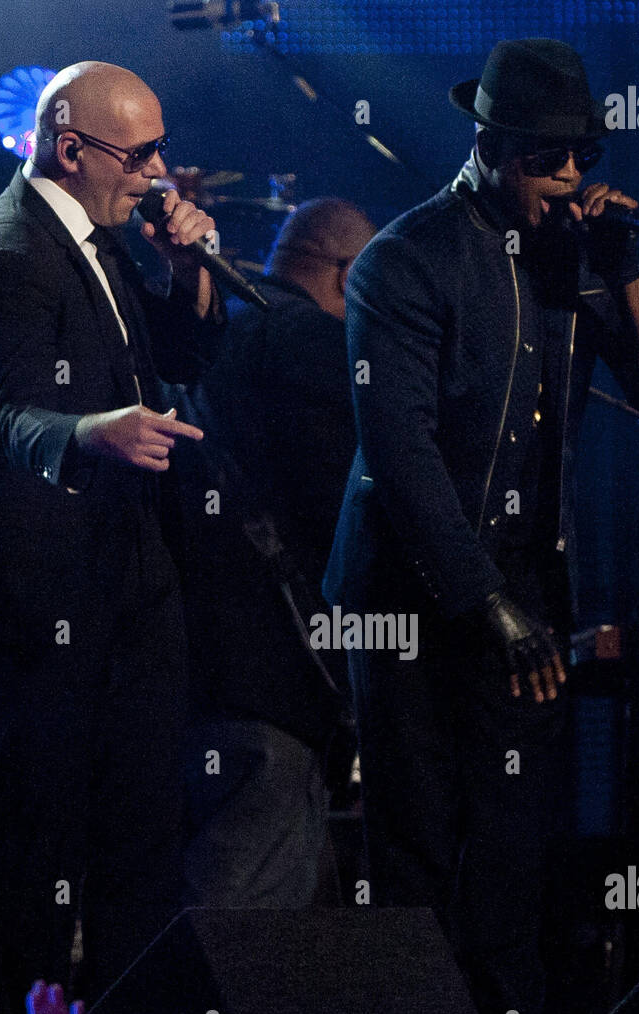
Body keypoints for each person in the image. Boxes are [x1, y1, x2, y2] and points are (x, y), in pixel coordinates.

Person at [323, 38, 639, 1014]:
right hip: (412, 598)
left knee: (513, 859)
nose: (566, 182)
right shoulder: (406, 259)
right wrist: (483, 602)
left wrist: (618, 268)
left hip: (526, 598)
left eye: (578, 159)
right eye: (544, 162)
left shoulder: (573, 261)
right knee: (416, 853)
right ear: (487, 147)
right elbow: (399, 452)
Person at [0, 61, 226, 1014]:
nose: (157, 175)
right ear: (72, 149)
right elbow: (16, 419)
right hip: (48, 593)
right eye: (140, 155)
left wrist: (188, 263)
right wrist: (91, 434)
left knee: (143, 836)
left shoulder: (98, 237)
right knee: (45, 843)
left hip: (130, 584)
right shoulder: (9, 258)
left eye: (160, 152)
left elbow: (189, 350)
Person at [173, 198, 375, 911]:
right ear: (351, 277)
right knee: (243, 947)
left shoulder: (212, 332)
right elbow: (353, 519)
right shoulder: (318, 347)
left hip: (183, 675)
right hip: (273, 687)